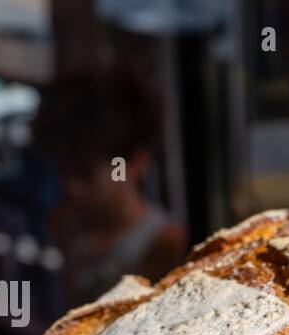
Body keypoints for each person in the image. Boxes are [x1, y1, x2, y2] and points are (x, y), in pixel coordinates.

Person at [31, 63, 186, 307]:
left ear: (134, 162)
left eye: (84, 173)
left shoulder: (168, 248)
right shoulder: (65, 226)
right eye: (63, 170)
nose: (70, 185)